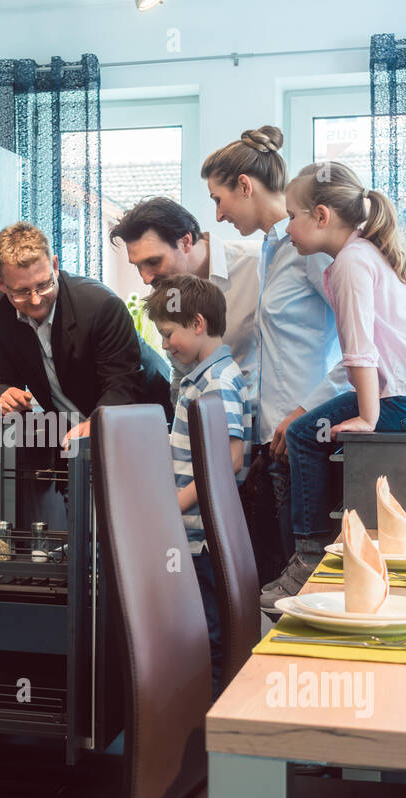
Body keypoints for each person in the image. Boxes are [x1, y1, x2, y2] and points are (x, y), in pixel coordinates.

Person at [263, 161, 406, 610]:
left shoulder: (352, 263)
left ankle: (310, 558)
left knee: (302, 435)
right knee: (311, 431)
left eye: (292, 217)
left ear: (321, 216)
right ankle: (326, 547)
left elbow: (360, 351)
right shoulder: (362, 254)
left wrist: (368, 416)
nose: (287, 229)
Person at [199, 126, 349, 586]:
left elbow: (357, 349)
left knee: (303, 587)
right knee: (272, 586)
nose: (218, 215)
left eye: (219, 199)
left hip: (303, 435)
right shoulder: (269, 249)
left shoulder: (309, 248)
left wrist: (304, 411)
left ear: (245, 185)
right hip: (271, 442)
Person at [147, 274, 251, 699]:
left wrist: (176, 503)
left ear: (197, 323)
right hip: (192, 534)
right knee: (199, 629)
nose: (167, 344)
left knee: (207, 634)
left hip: (203, 537)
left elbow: (230, 459)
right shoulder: (199, 378)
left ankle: (210, 727)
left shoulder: (219, 383)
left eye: (169, 334)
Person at [0, 221, 172, 442]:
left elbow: (122, 384)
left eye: (44, 285)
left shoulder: (100, 305)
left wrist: (96, 424)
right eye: (22, 291)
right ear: (1, 283)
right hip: (73, 432)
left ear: (55, 265)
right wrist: (2, 396)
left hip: (146, 420)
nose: (35, 300)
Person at [108, 197, 260, 399]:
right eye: (138, 266)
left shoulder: (258, 267)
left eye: (154, 261)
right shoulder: (164, 296)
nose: (146, 279)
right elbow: (181, 374)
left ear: (186, 241)